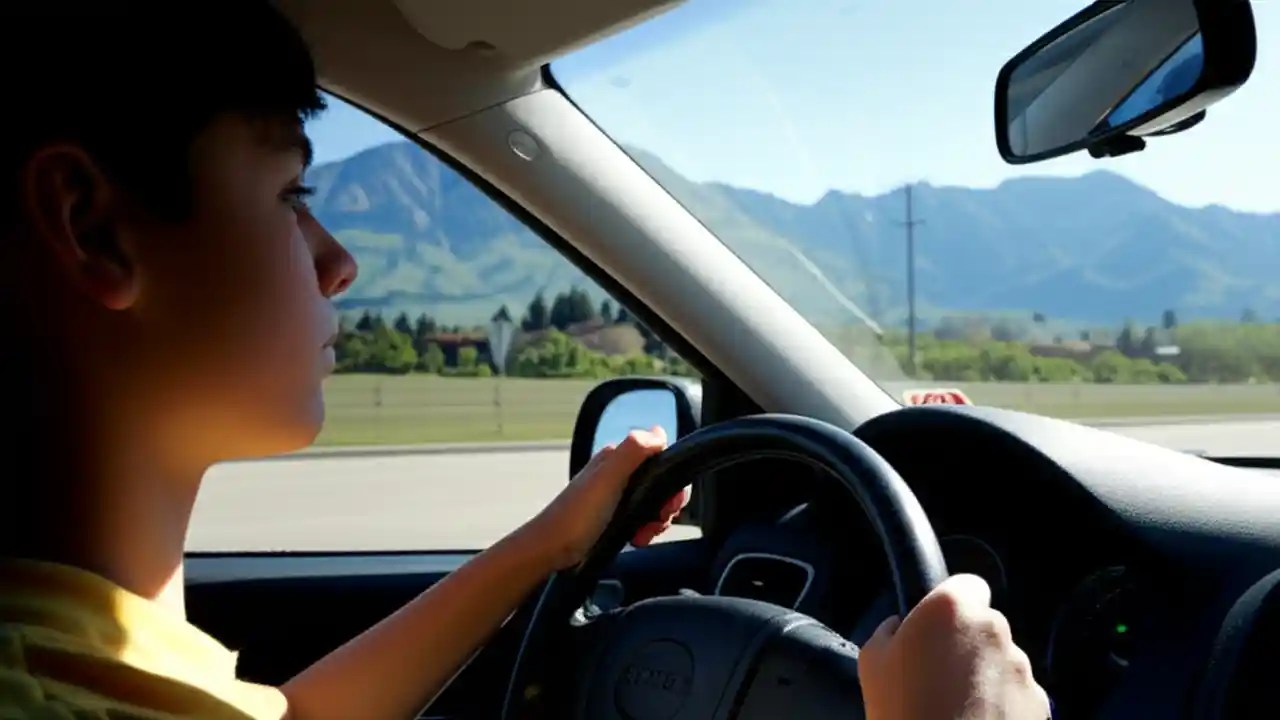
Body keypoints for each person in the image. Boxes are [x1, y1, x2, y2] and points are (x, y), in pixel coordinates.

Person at [0, 3, 1049, 719]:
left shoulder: (79, 657)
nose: (339, 263)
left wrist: (543, 546)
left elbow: (289, 715)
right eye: (289, 197)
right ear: (92, 227)